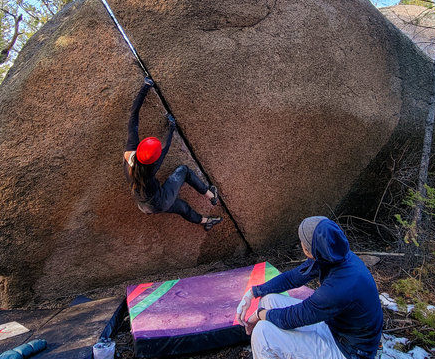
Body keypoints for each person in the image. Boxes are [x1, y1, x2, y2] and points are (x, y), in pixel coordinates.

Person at [236, 216, 383, 359]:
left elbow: (293, 318)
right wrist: (253, 292)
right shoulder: (334, 254)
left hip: (349, 351)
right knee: (269, 300)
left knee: (263, 333)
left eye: (302, 241)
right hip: (337, 328)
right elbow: (292, 277)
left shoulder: (337, 288)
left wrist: (259, 314)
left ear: (308, 250)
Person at [123, 78, 222, 230]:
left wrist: (145, 87)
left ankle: (206, 222)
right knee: (183, 171)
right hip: (159, 200)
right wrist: (171, 127)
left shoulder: (129, 154)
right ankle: (211, 195)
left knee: (181, 206)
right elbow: (166, 146)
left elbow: (133, 115)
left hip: (144, 206)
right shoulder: (152, 168)